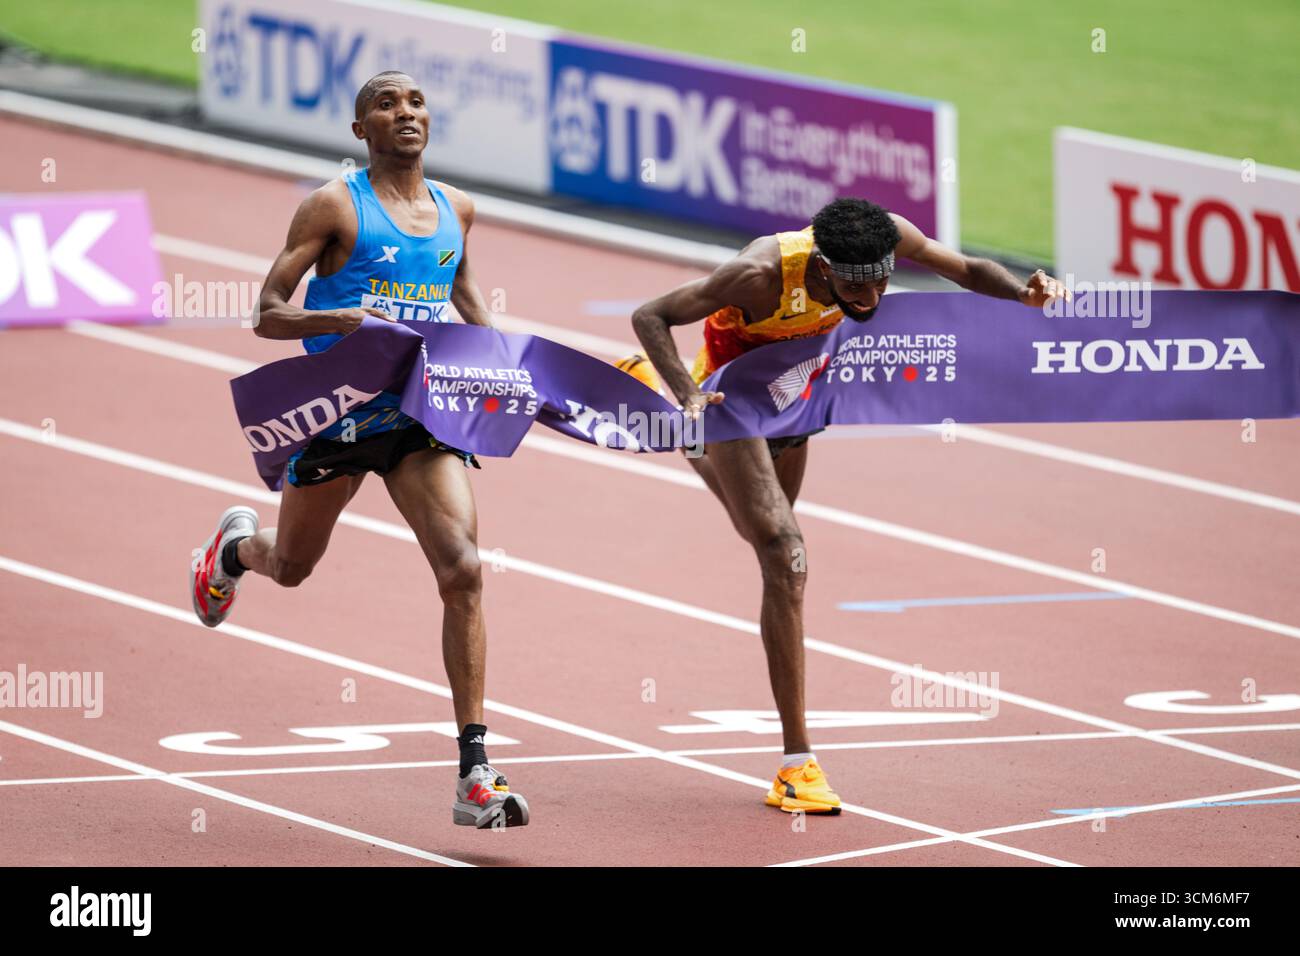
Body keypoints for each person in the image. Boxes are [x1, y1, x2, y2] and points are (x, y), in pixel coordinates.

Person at [631, 197, 1069, 814]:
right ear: (823, 264)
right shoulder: (759, 273)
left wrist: (1023, 293)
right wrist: (687, 395)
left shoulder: (886, 239)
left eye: (883, 279)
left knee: (757, 534)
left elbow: (968, 270)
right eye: (856, 286)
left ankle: (668, 416)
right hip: (729, 398)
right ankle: (796, 766)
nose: (872, 297)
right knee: (786, 555)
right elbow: (650, 314)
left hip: (793, 397)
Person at [189, 71, 528, 829]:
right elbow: (267, 314)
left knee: (465, 568)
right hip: (337, 419)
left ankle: (474, 772)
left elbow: (464, 293)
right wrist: (343, 321)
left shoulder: (456, 209)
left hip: (415, 415)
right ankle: (237, 550)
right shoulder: (336, 205)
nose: (403, 113)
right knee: (294, 569)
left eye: (414, 102)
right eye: (385, 104)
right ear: (359, 130)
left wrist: (503, 362)